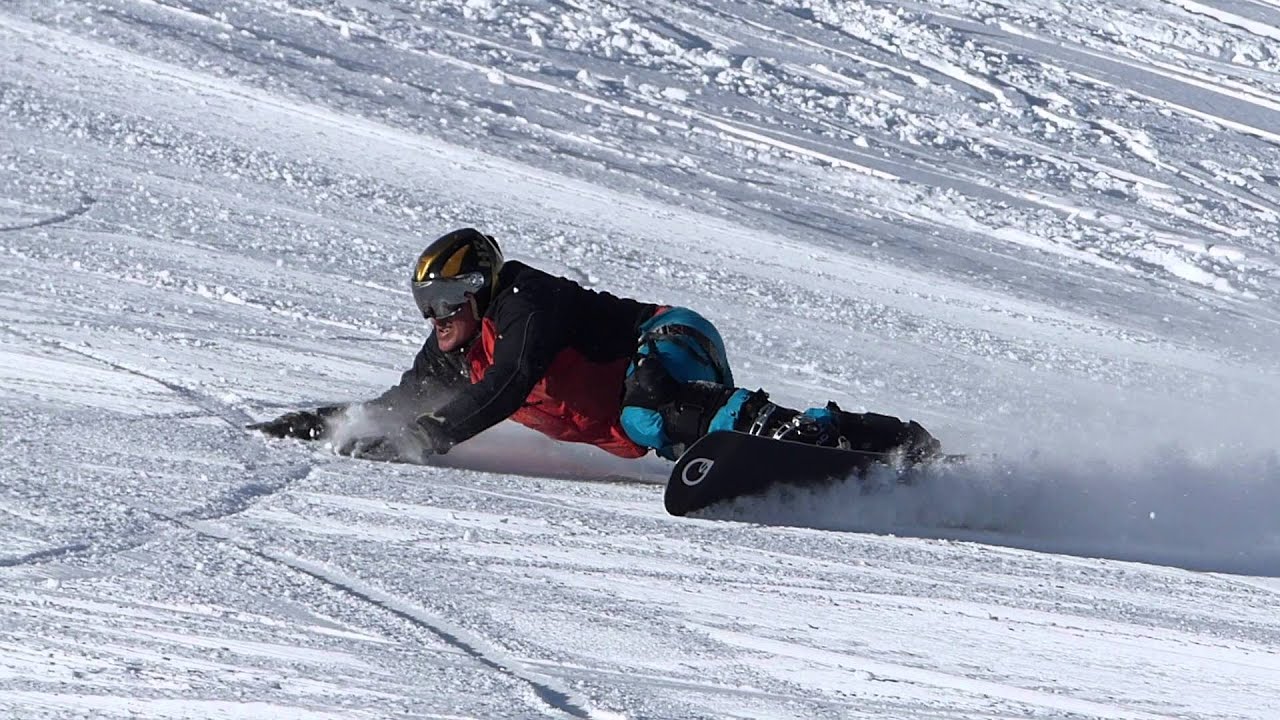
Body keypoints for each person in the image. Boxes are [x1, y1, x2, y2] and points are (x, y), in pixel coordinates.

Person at [249, 228, 940, 465]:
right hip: (633, 409)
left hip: (669, 335)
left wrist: (432, 435)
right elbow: (399, 403)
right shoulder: (452, 354)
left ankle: (815, 432)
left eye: (447, 300)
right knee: (653, 431)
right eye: (425, 306)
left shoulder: (526, 300)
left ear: (482, 287)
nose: (436, 318)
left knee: (649, 415)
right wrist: (326, 421)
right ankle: (835, 446)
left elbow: (514, 380)